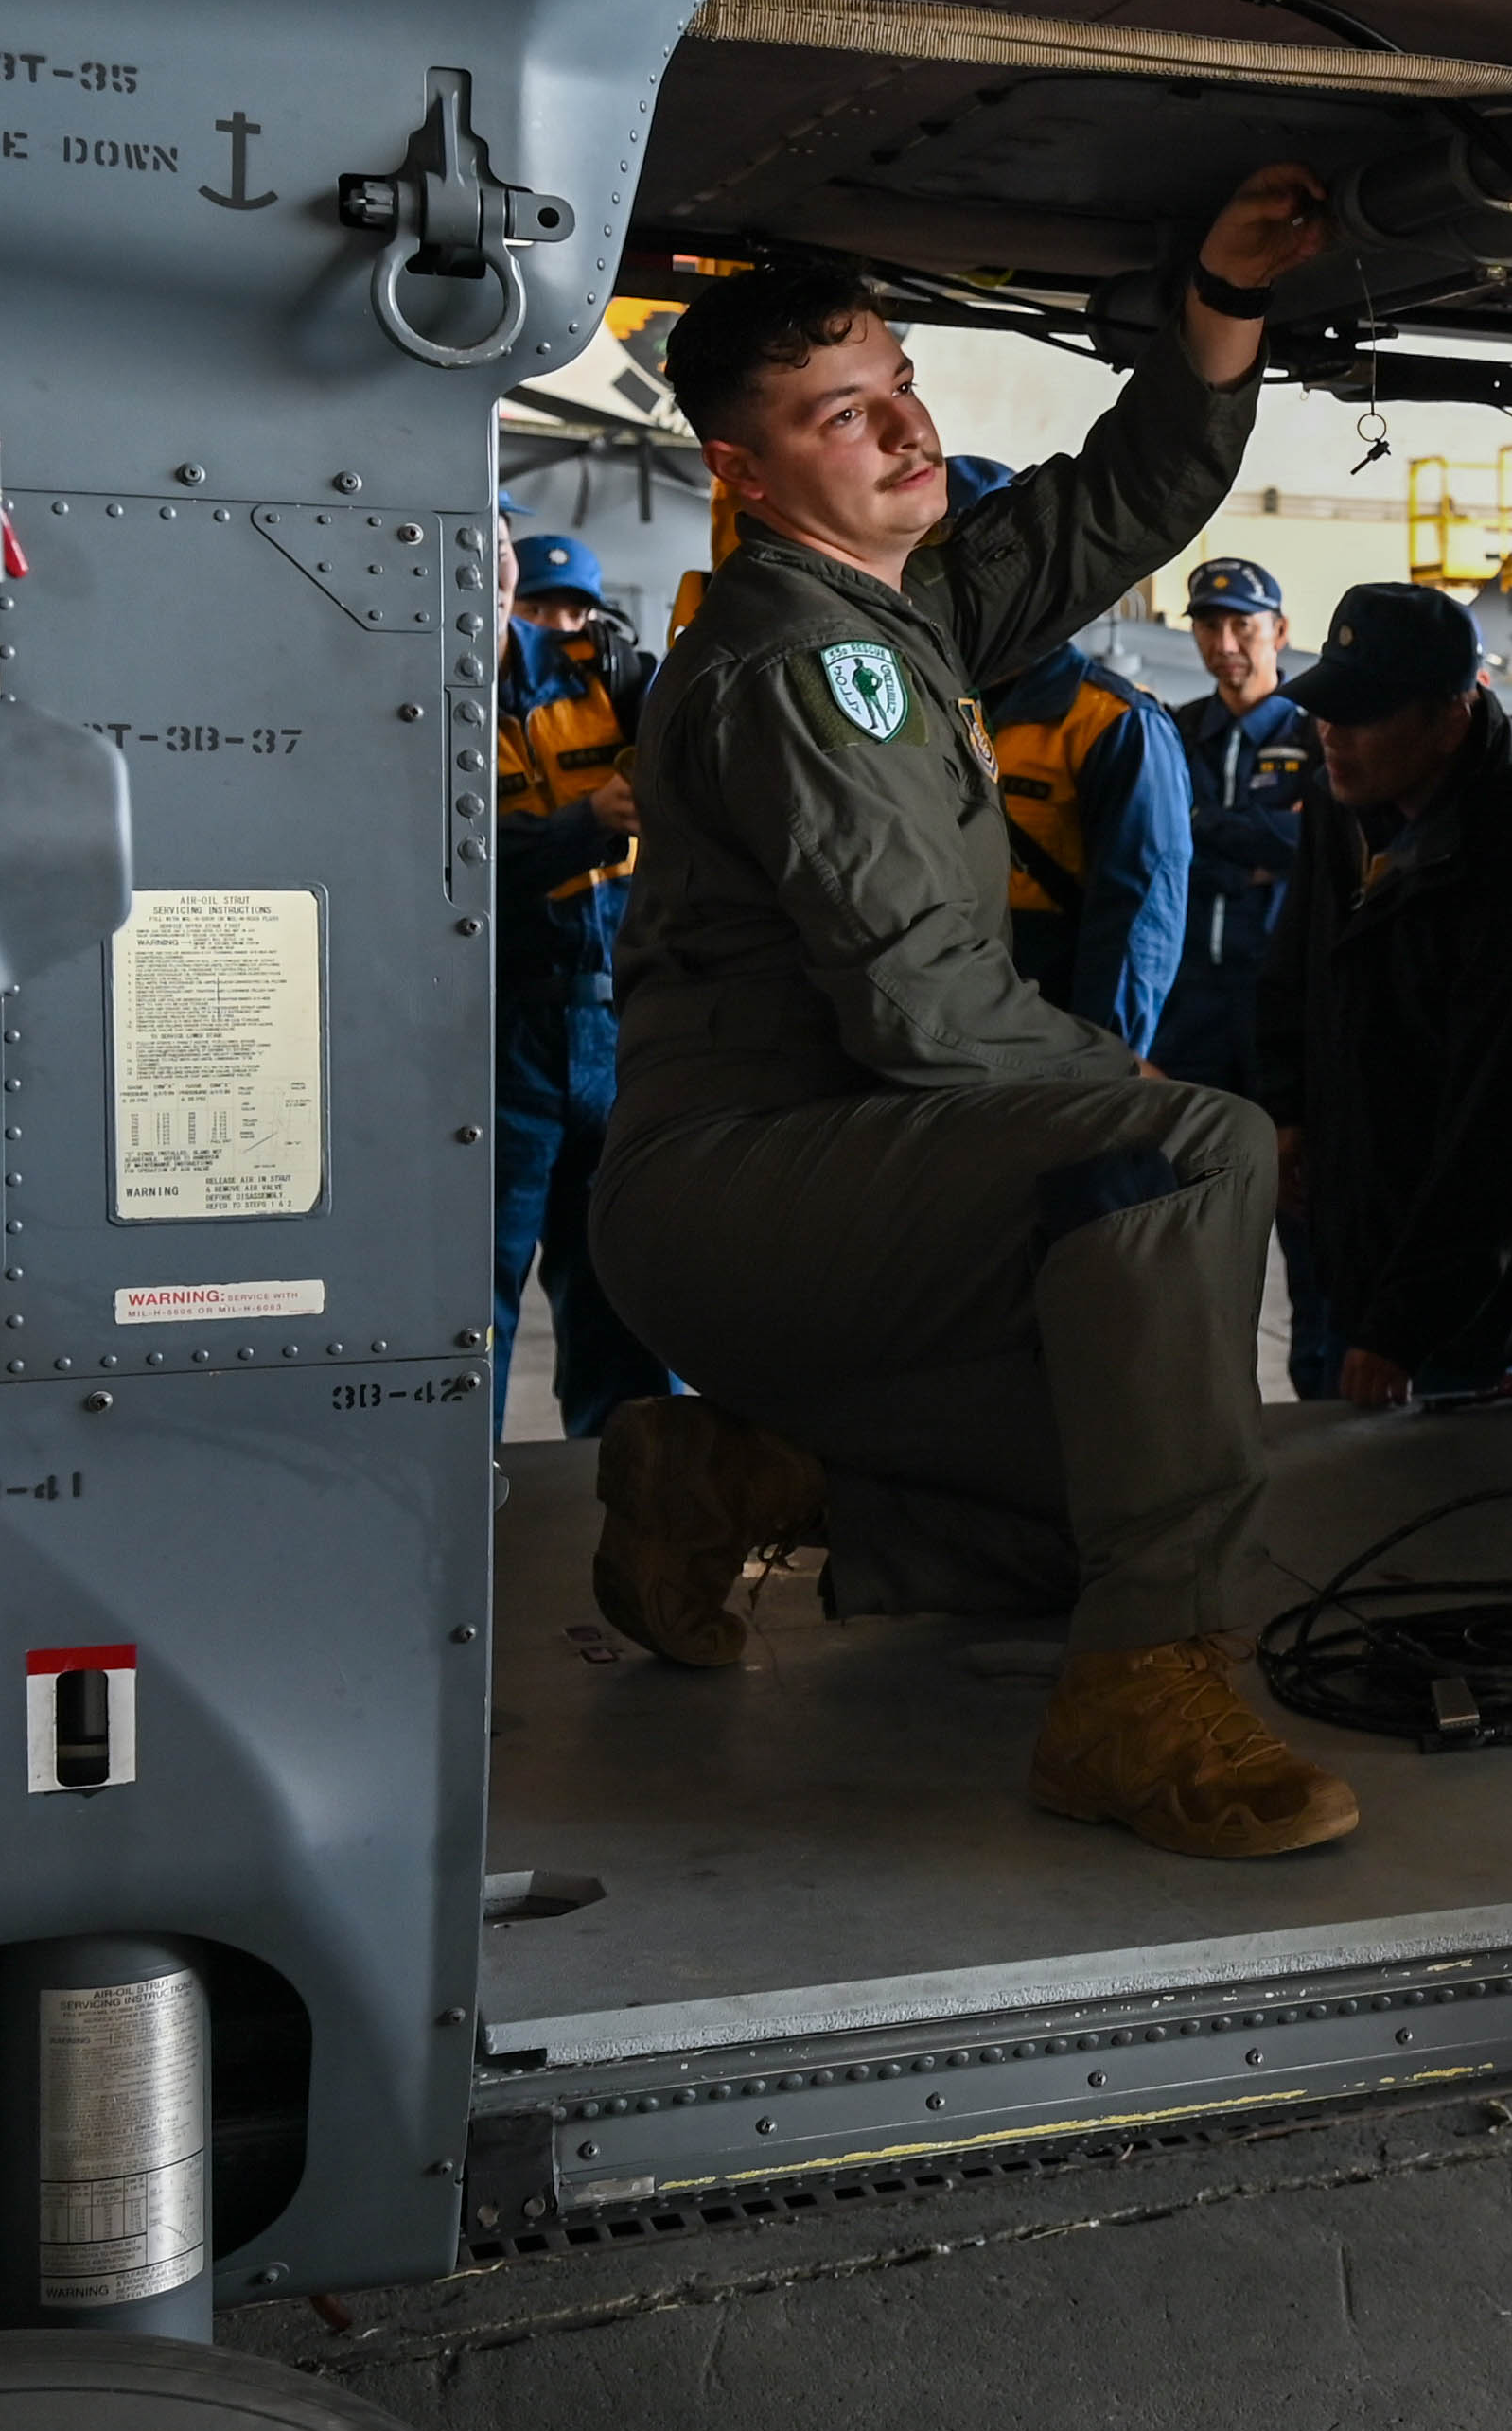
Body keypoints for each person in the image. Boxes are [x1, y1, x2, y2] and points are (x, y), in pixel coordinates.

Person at [582, 164, 1369, 1864]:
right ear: (743, 468)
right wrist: (1128, 1090)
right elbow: (929, 1017)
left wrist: (1222, 303)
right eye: (837, 416)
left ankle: (736, 1482)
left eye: (901, 388)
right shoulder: (812, 663)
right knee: (1187, 1145)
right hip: (744, 1184)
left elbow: (1119, 500)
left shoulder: (903, 608)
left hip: (823, 1185)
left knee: (1128, 1488)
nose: (897, 433)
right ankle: (1130, 1700)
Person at [1252, 584, 1512, 1400]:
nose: (1330, 734)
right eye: (1328, 709)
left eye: (1362, 715)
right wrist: (1286, 1109)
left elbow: (1506, 1134)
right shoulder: (1342, 804)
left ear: (1450, 721)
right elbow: (1298, 970)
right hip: (1353, 1253)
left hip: (1470, 1318)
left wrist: (1402, 1327)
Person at [491, 528, 676, 1435]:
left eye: (576, 608)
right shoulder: (428, 694)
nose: (559, 621)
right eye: (544, 610)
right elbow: (448, 858)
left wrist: (649, 677)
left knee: (626, 1276)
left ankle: (639, 1487)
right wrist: (582, 820)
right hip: (499, 1034)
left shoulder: (607, 680)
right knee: (472, 1287)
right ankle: (457, 1493)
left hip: (619, 1029)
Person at [939, 455, 1187, 1052]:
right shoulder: (922, 706)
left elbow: (1134, 931)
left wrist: (1100, 1082)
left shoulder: (1113, 726)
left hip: (1053, 1039)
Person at [1152, 554, 1315, 1098]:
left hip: (1285, 994)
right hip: (1188, 994)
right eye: (1207, 625)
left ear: (1280, 631)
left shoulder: (1320, 733)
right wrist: (1255, 856)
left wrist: (1200, 824)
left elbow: (1310, 843)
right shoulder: (1175, 732)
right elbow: (1159, 843)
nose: (1224, 645)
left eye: (1242, 625)